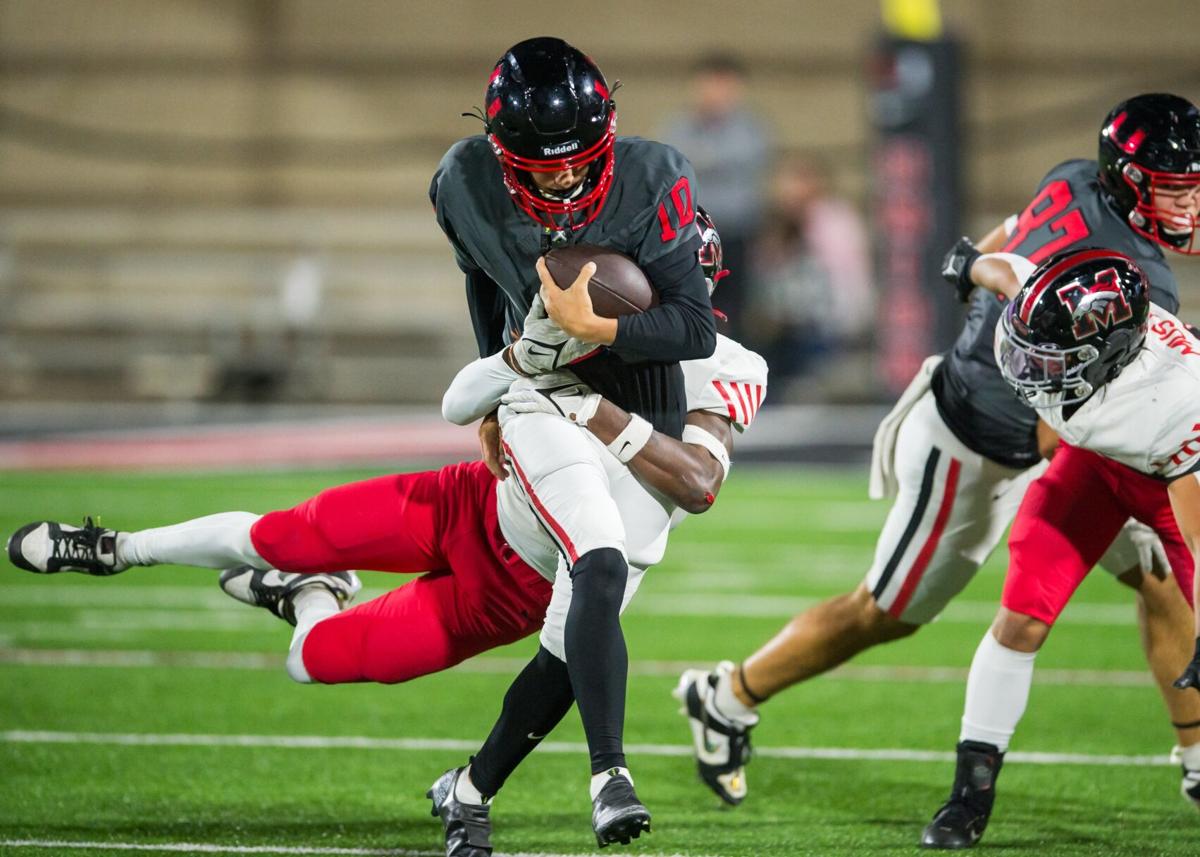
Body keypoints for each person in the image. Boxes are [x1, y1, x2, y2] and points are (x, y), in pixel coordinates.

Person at [674, 92, 1200, 811]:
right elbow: (1080, 416)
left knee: (1161, 573)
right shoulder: (1140, 276)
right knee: (886, 610)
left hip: (1047, 422)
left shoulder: (1076, 177)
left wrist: (974, 268)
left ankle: (1196, 756)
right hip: (979, 437)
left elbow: (1000, 244)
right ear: (1133, 181)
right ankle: (726, 696)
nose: (1190, 203)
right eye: (1176, 189)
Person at [428, 35, 718, 845]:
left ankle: (470, 787)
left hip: (640, 407)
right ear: (500, 150)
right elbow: (481, 278)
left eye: (577, 160)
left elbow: (694, 330)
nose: (561, 176)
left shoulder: (655, 177)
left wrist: (602, 326)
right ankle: (611, 775)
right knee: (596, 554)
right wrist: (494, 395)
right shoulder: (463, 181)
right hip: (542, 395)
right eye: (540, 164)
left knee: (571, 639)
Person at [920, 247, 1200, 849]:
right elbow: (1008, 270)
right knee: (1020, 616)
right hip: (1094, 464)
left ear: (1111, 356)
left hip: (1171, 481)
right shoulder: (1052, 318)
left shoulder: (1177, 405)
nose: (1027, 368)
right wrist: (967, 263)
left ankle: (1199, 761)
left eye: (1048, 360)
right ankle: (968, 796)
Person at [658, 52, 771, 339]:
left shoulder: (750, 129)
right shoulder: (678, 127)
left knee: (739, 313)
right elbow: (667, 166)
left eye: (725, 86)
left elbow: (748, 158)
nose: (717, 94)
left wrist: (702, 159)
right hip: (691, 239)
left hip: (738, 236)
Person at [743, 154, 873, 384]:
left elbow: (843, 281)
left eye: (797, 181)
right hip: (784, 331)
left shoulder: (835, 220)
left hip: (831, 327)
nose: (789, 190)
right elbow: (764, 281)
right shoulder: (776, 225)